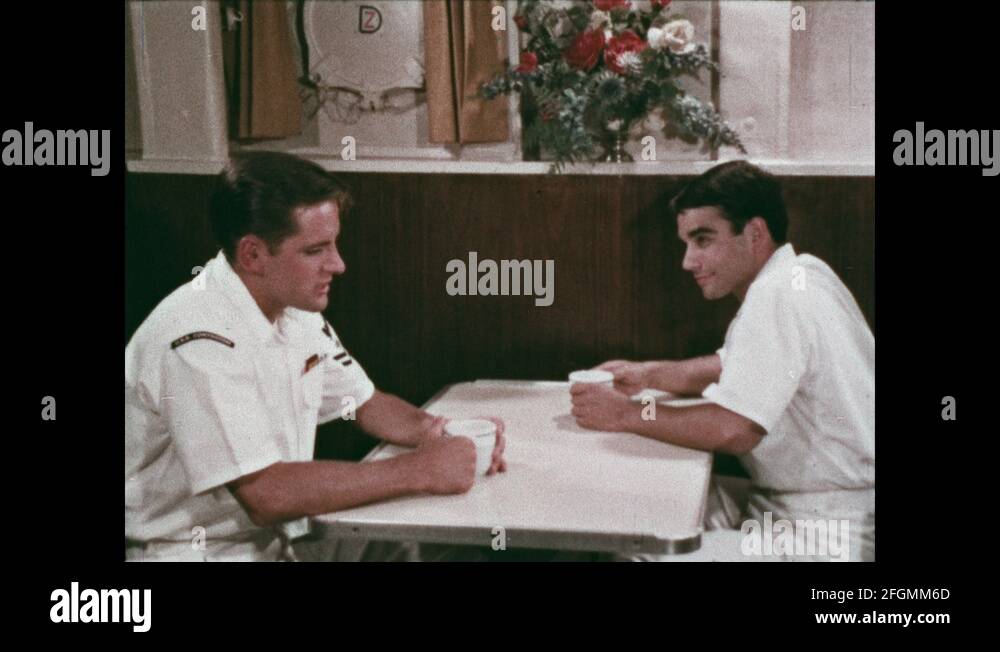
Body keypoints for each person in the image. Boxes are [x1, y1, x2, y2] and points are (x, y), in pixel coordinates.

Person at [125, 152, 506, 561]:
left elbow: (364, 403)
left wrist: (441, 431)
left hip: (279, 537)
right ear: (252, 255)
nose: (338, 264)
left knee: (437, 551)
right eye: (315, 250)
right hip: (198, 552)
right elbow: (265, 494)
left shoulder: (292, 306)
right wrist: (421, 470)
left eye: (334, 244)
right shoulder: (198, 337)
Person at [570, 160, 874, 561]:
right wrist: (649, 374)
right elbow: (732, 365)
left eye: (703, 240)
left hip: (824, 530)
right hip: (804, 503)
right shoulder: (804, 272)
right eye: (687, 243)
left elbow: (734, 430)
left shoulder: (776, 296)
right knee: (644, 507)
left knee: (638, 550)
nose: (687, 261)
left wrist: (625, 414)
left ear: (755, 233)